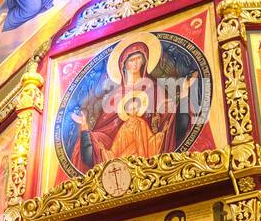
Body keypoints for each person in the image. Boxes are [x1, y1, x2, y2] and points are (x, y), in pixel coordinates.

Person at [70, 41, 196, 171]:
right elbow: (104, 130)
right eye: (131, 60)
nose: (135, 63)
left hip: (149, 146)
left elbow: (169, 117)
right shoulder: (116, 95)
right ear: (123, 64)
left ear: (144, 60)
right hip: (120, 152)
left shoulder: (154, 88)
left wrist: (183, 94)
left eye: (139, 58)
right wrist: (85, 127)